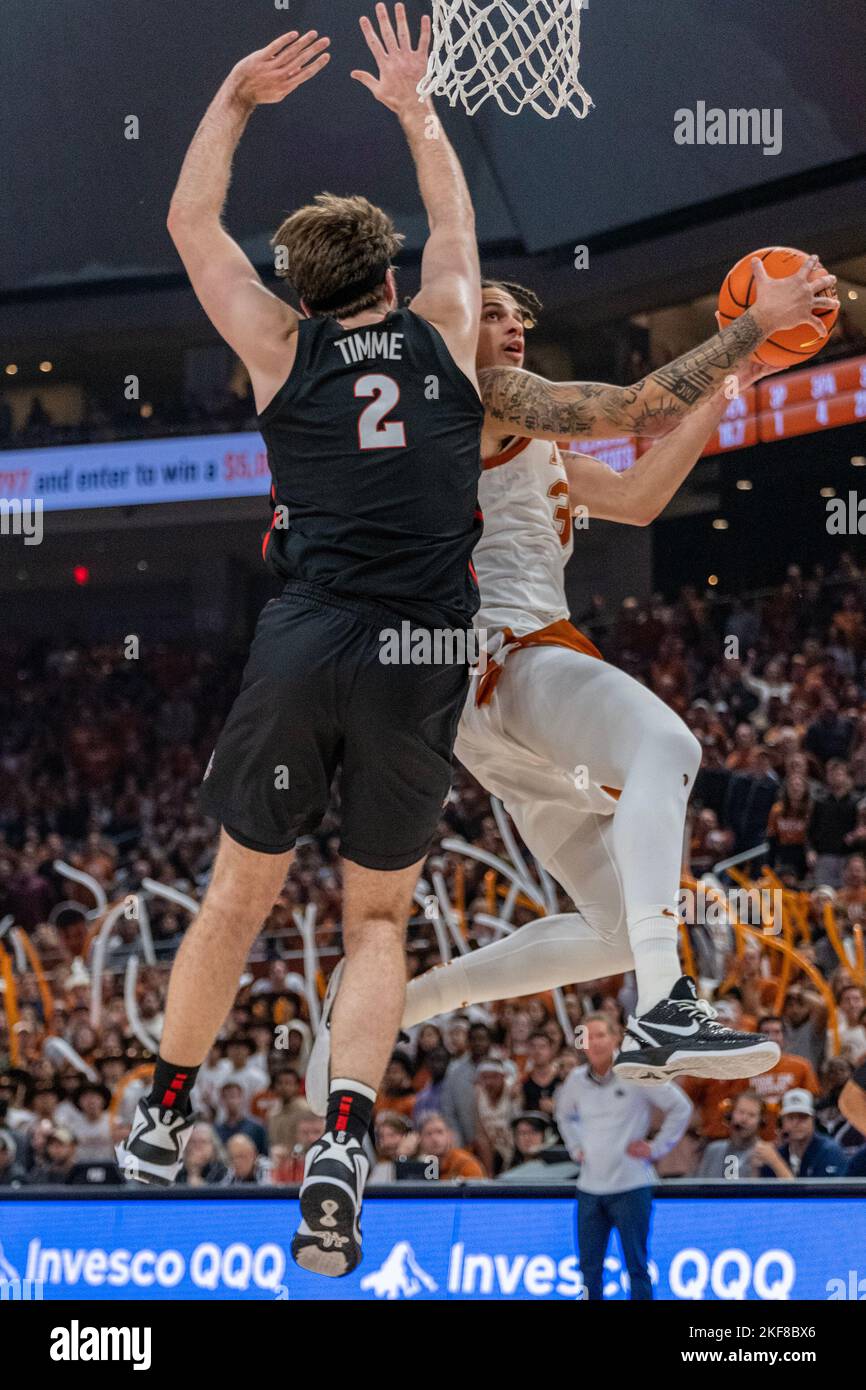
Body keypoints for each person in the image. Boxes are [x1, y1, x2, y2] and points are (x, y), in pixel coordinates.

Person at [555, 1016, 690, 1300]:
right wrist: (575, 1146)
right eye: (588, 1037)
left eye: (601, 1035)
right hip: (590, 1188)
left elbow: (680, 1107)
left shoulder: (635, 1073)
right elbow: (563, 1116)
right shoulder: (576, 1080)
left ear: (616, 1038)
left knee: (636, 1266)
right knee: (589, 1270)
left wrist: (656, 1148)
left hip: (631, 1186)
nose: (595, 1043)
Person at [697, 1092, 792, 1180]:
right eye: (740, 1112)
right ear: (730, 1115)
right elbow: (698, 1188)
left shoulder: (766, 1153)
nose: (744, 1119)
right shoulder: (714, 1150)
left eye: (751, 1115)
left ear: (761, 1122)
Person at [760, 1088, 847, 1177]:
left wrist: (776, 1163)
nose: (796, 1123)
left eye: (803, 1117)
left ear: (813, 1120)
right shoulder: (780, 1153)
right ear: (782, 1121)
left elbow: (817, 1190)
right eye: (790, 1118)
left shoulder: (829, 1151)